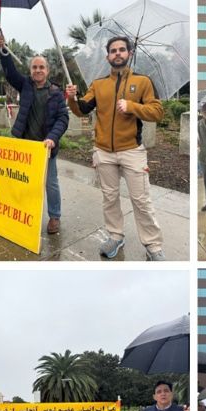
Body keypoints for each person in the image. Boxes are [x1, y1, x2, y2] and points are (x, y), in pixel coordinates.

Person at [66, 36, 166, 260]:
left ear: (129, 53)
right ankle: (115, 235)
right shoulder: (98, 84)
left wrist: (132, 106)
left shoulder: (143, 82)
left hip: (132, 150)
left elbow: (158, 112)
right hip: (103, 151)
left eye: (122, 50)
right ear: (107, 56)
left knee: (141, 201)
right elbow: (82, 109)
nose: (117, 53)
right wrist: (72, 99)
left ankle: (153, 245)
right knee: (109, 198)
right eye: (113, 51)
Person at [0, 33, 70, 235]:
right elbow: (10, 73)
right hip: (25, 146)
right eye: (34, 67)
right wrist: (3, 50)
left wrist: (52, 139)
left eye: (41, 67)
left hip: (45, 148)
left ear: (47, 70)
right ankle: (27, 213)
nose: (38, 70)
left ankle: (54, 217)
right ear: (31, 70)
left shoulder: (55, 92)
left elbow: (63, 119)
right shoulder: (25, 85)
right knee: (25, 182)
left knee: (51, 184)